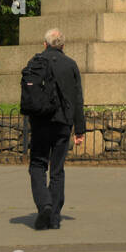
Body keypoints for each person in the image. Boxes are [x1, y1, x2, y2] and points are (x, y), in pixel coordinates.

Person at [28, 28, 85, 230]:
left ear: (45, 44)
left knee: (37, 164)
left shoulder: (35, 62)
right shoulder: (70, 64)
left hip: (41, 122)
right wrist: (80, 129)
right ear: (62, 46)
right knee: (57, 170)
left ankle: (44, 204)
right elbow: (78, 98)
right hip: (63, 123)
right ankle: (54, 217)